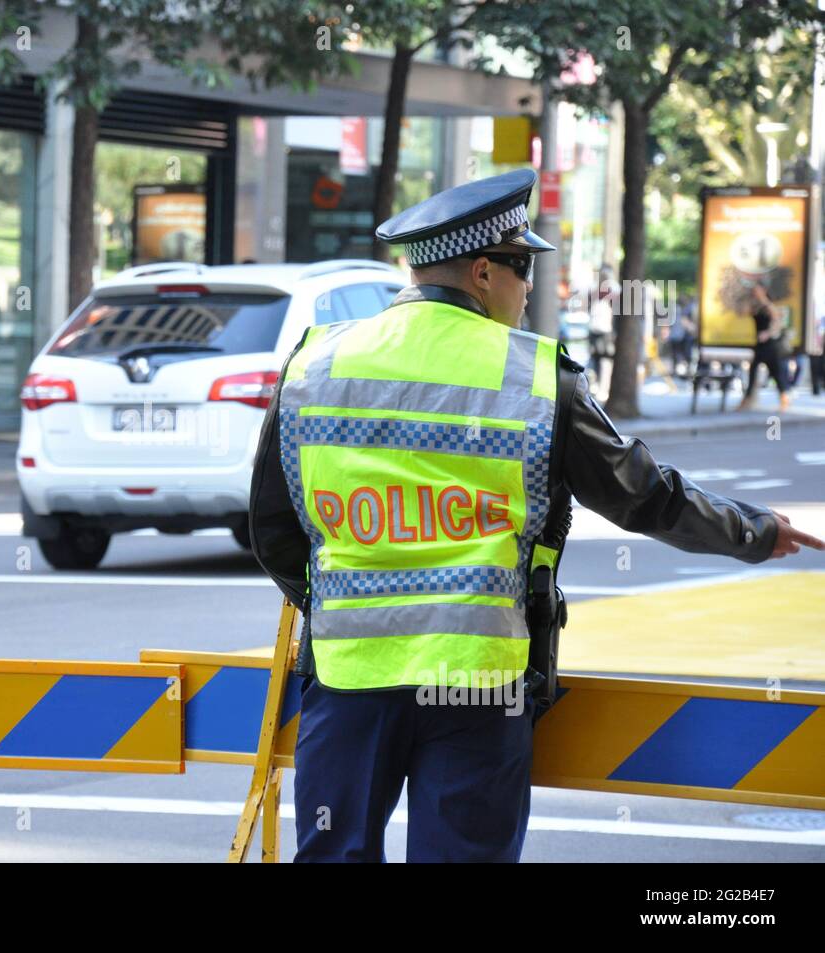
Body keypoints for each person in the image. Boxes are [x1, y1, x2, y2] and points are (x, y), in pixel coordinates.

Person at [247, 168, 825, 864]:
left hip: (348, 680)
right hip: (476, 683)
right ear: (483, 273)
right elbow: (644, 496)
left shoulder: (315, 362)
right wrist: (753, 531)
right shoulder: (537, 377)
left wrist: (343, 609)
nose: (529, 290)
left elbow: (274, 530)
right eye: (524, 270)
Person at [737, 282, 793, 413]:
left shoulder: (768, 305)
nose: (755, 292)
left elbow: (778, 321)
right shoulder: (755, 306)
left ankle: (784, 399)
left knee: (776, 373)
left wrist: (767, 333)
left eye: (758, 290)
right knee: (752, 372)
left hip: (771, 345)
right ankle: (747, 400)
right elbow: (742, 312)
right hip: (759, 345)